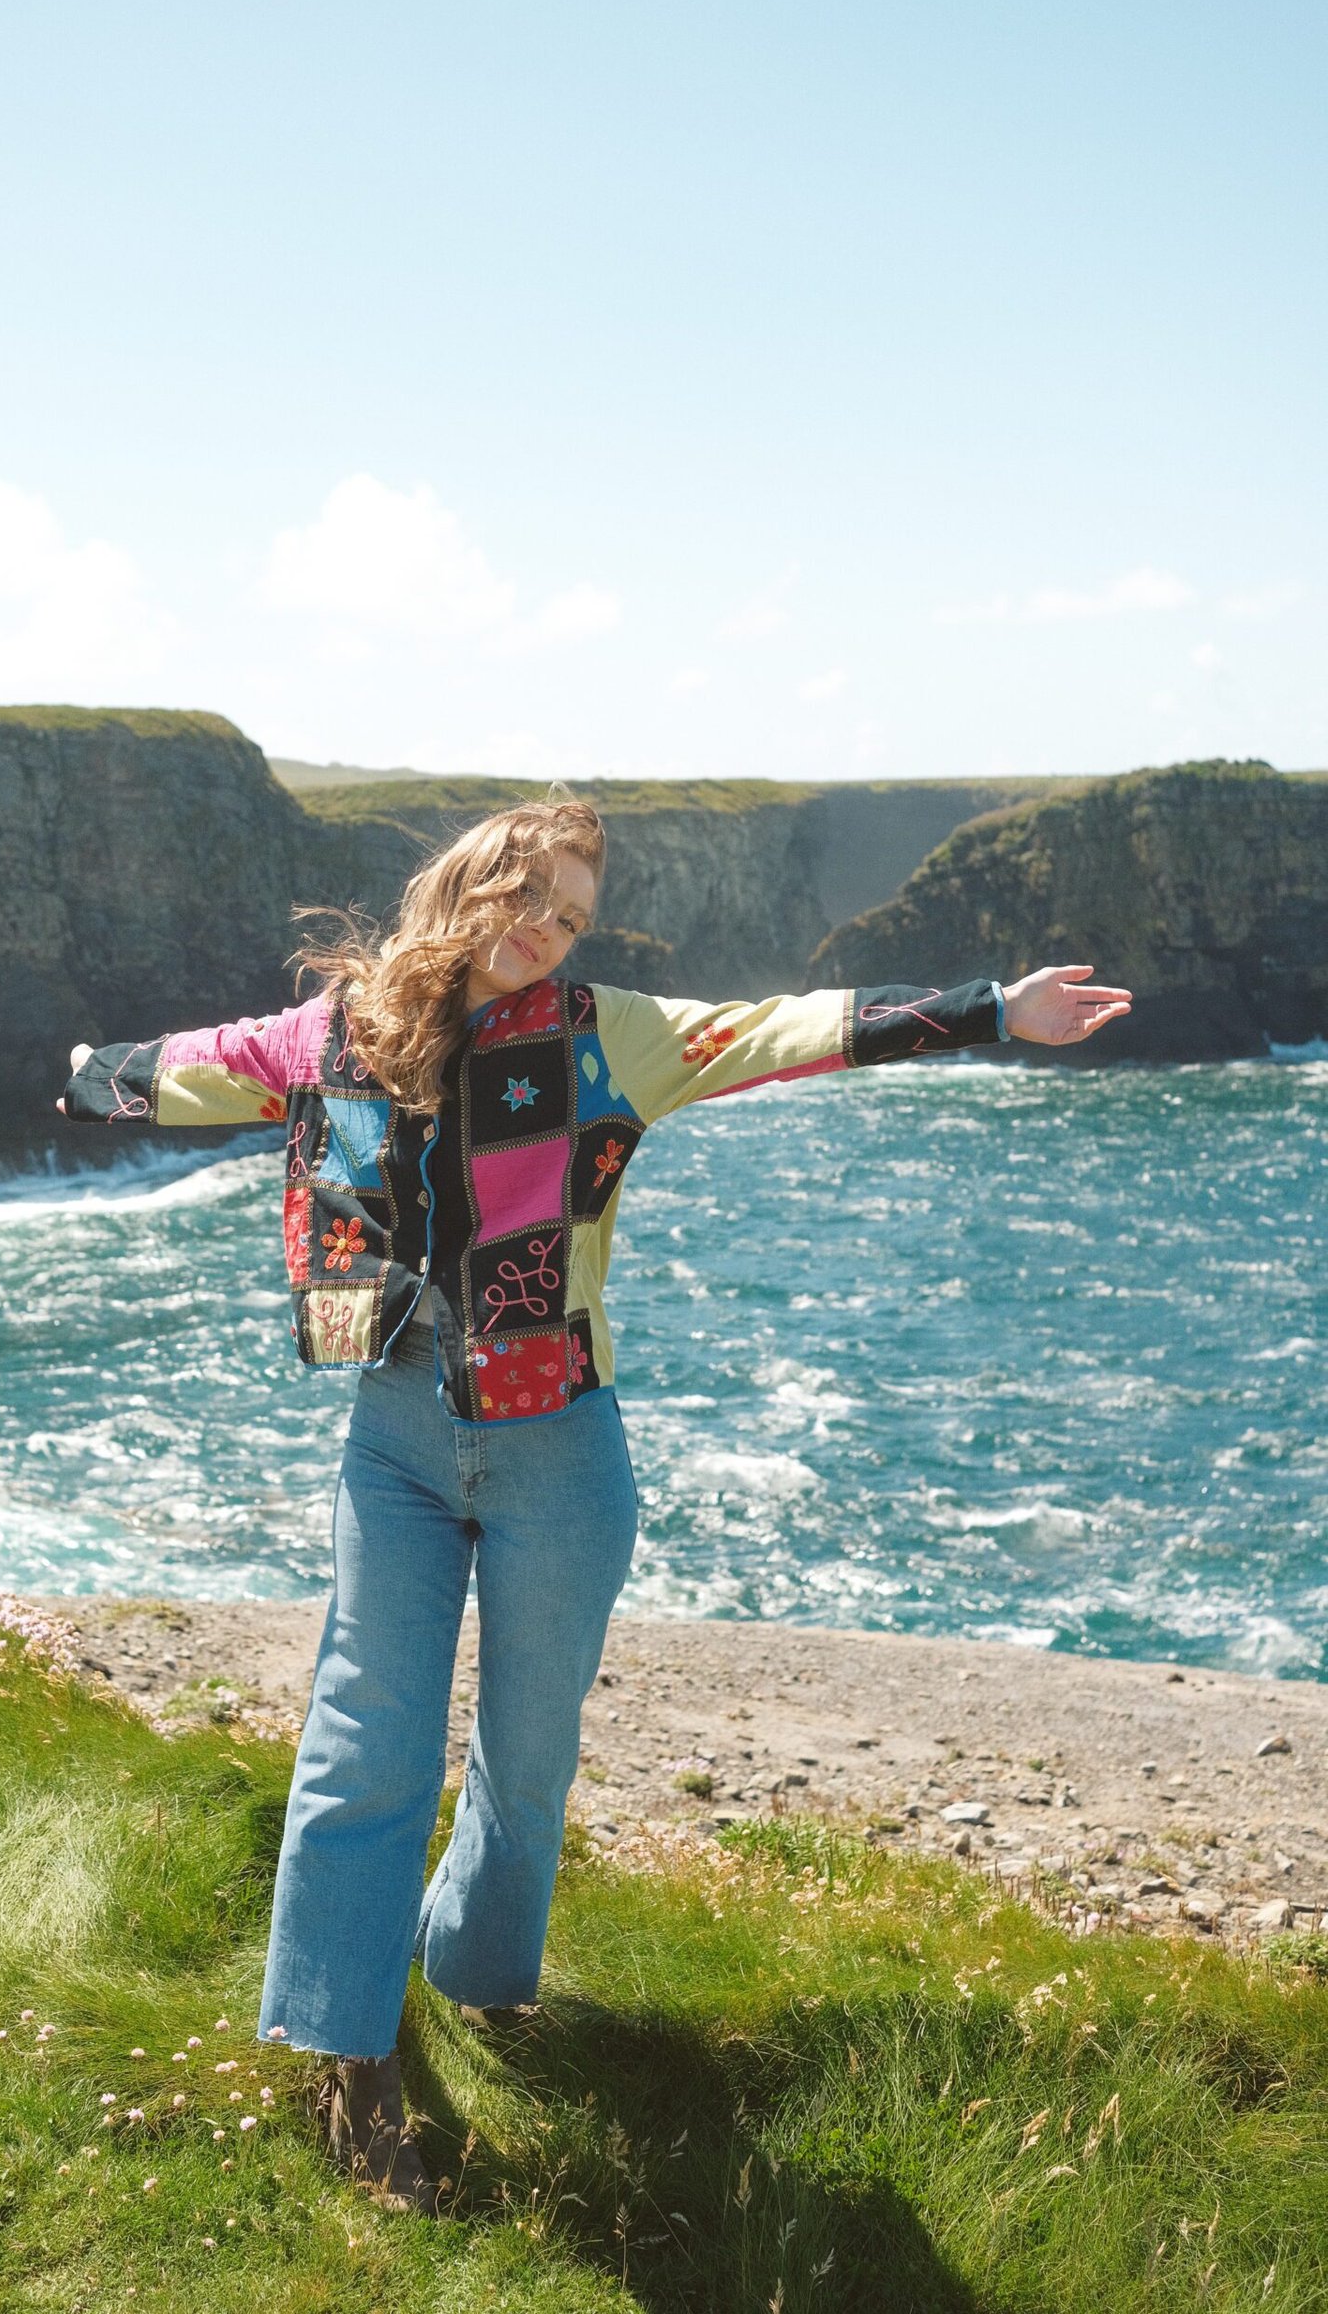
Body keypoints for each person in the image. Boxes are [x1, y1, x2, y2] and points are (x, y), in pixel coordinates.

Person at [58, 793, 1131, 2212]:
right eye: (533, 900)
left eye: (571, 915)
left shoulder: (607, 1035)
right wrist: (87, 1073)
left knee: (528, 1755)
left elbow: (786, 1031)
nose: (548, 933)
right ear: (471, 883)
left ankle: (482, 1986)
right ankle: (346, 2062)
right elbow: (193, 1070)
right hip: (394, 1441)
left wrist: (995, 1008)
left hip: (560, 1449)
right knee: (361, 1744)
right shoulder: (341, 1033)